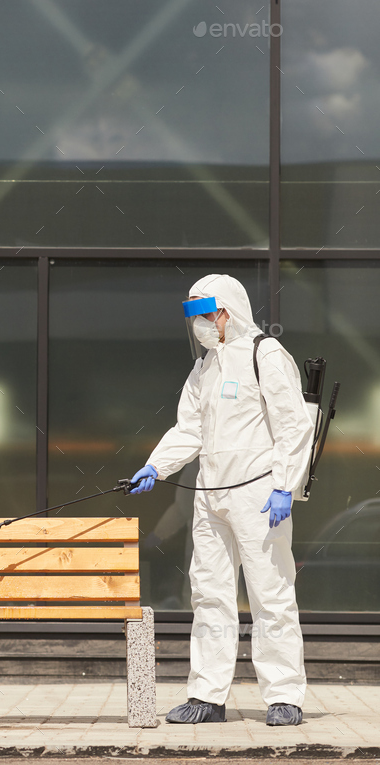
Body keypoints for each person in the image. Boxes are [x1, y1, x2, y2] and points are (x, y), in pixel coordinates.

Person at [130, 274, 315, 727]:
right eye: (192, 316)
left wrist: (284, 486)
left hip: (259, 497)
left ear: (226, 311)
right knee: (209, 595)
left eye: (203, 315)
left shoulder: (265, 354)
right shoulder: (204, 368)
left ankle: (284, 696)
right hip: (211, 496)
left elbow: (294, 424)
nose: (198, 324)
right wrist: (157, 464)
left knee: (270, 595)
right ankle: (207, 696)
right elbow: (188, 429)